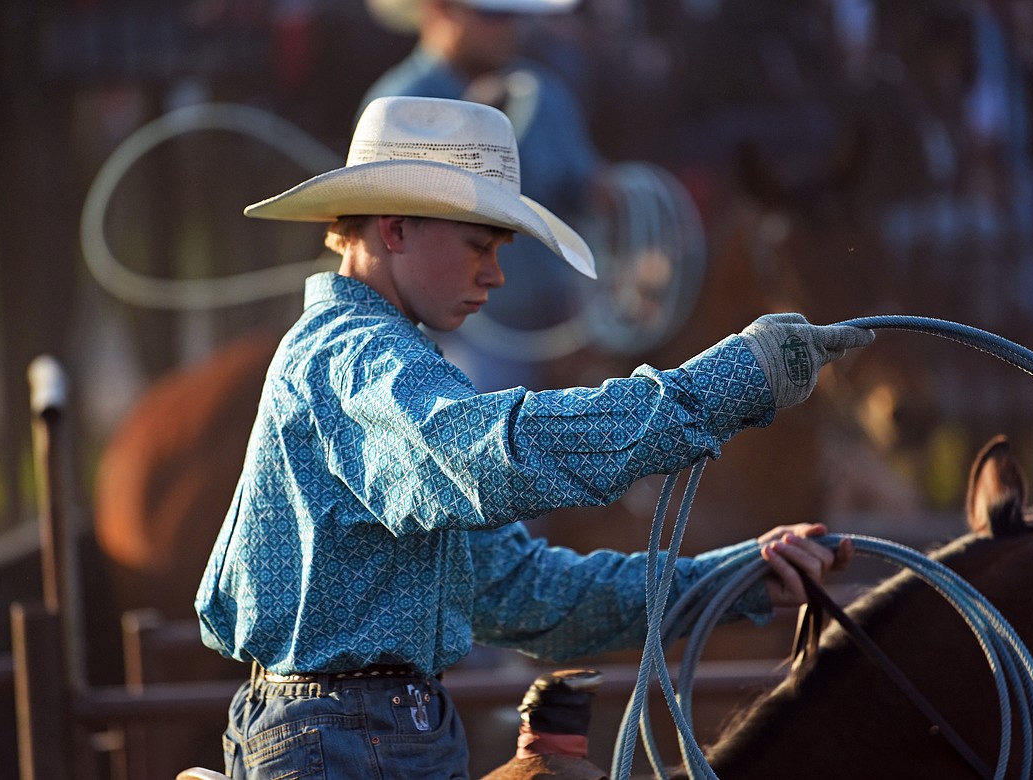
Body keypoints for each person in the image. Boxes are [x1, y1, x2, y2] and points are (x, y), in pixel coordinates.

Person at [195, 95, 873, 779]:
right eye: (478, 245)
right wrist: (726, 385)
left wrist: (735, 580)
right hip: (352, 743)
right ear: (395, 228)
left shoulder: (365, 366)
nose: (494, 273)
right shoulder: (360, 361)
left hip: (352, 736)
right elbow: (493, 459)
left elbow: (534, 596)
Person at [360, 0, 601, 391]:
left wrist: (610, 194)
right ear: (438, 10)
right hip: (469, 331)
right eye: (493, 13)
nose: (511, 28)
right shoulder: (398, 106)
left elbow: (584, 183)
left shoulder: (546, 94)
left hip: (563, 322)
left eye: (516, 15)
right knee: (481, 424)